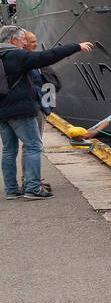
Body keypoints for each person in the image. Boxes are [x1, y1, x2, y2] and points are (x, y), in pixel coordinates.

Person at [0, 25, 93, 200]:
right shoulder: (15, 55)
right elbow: (46, 57)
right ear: (13, 40)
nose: (24, 43)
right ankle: (33, 188)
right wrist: (75, 46)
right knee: (34, 146)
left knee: (9, 150)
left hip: (2, 111)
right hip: (21, 109)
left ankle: (11, 190)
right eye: (22, 40)